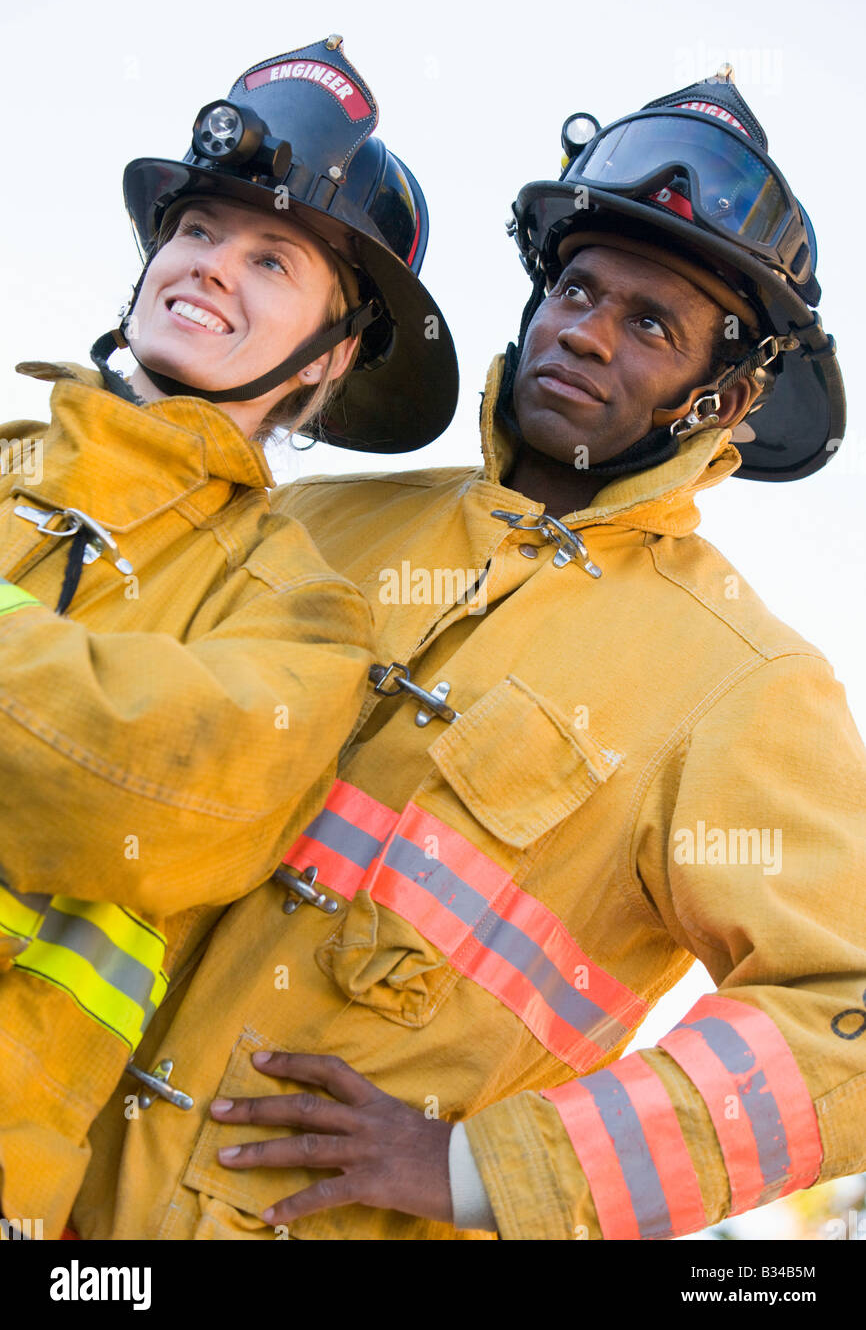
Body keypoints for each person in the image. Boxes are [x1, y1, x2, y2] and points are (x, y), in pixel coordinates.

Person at [71, 68, 866, 1241]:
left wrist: (477, 1167)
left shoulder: (740, 685)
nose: (587, 332)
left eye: (650, 324)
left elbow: (842, 1012)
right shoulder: (311, 522)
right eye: (577, 288)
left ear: (725, 394)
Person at [0, 34, 458, 1240]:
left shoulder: (297, 612)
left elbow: (141, 782)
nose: (209, 267)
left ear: (335, 353)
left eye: (271, 258)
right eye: (196, 231)